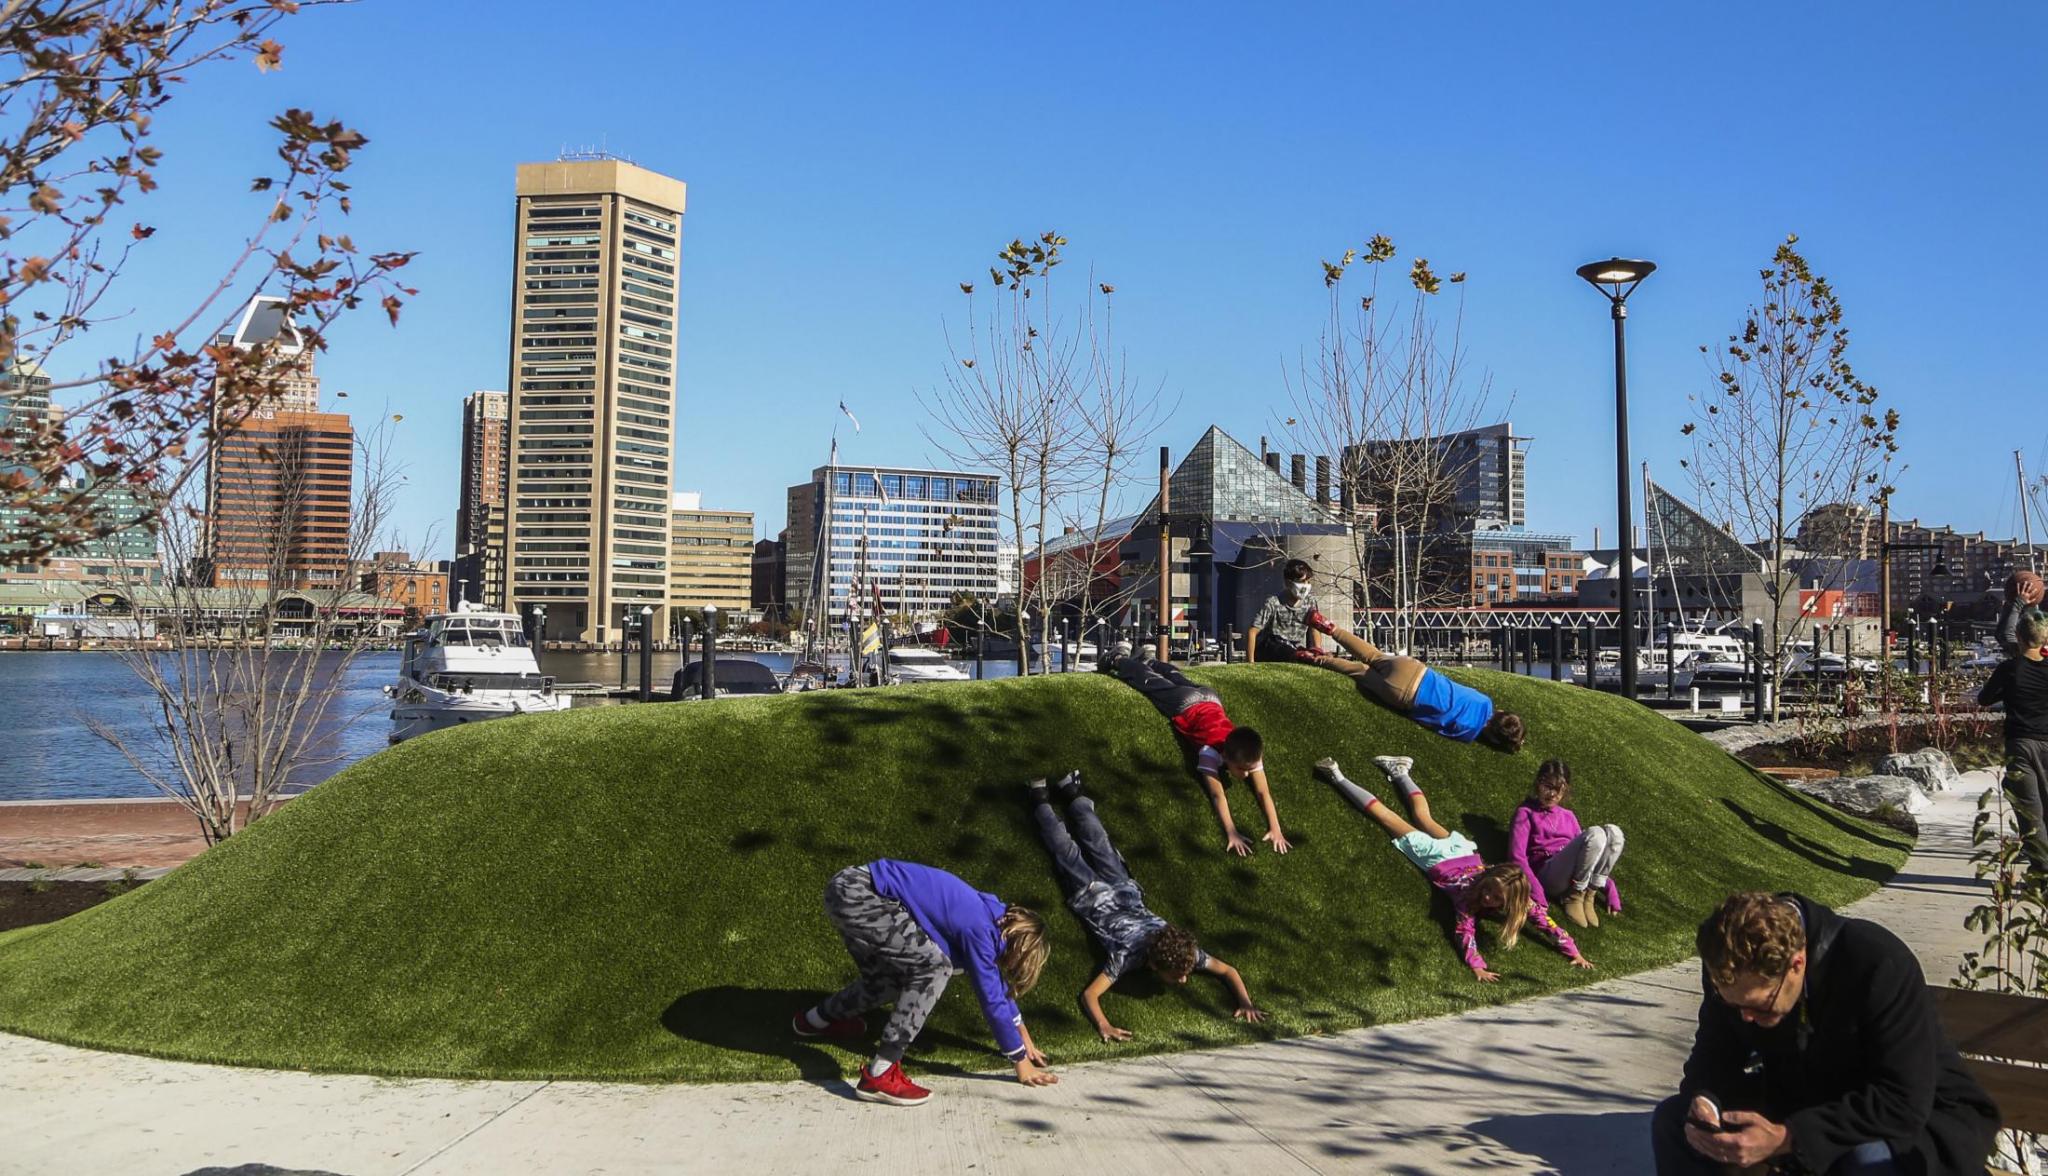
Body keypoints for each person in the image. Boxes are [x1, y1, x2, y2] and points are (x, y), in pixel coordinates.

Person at [1653, 891, 1997, 1175]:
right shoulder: (1731, 969)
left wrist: (1788, 1137)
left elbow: (1903, 1102)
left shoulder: (1876, 962)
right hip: (1806, 1096)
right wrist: (1705, 1100)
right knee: (1675, 1123)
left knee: (1864, 1159)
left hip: (1913, 1119)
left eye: (1761, 1007)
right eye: (1734, 1005)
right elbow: (1715, 1050)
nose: (1746, 1017)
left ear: (1797, 964)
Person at [792, 858, 1056, 1106]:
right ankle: (880, 1074)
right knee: (934, 968)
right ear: (1018, 944)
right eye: (1018, 962)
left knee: (889, 980)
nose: (1010, 967)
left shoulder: (989, 918)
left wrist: (1022, 1035)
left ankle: (814, 1021)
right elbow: (992, 1001)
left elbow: (997, 988)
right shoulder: (980, 929)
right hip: (861, 894)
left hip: (847, 889)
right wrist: (1020, 1062)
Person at [1026, 770, 1263, 1040]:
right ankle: (1056, 796)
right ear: (1154, 964)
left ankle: (1054, 798)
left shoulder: (1187, 955)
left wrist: (1245, 1002)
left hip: (1108, 891)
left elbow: (1228, 971)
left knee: (1083, 844)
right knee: (1080, 845)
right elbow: (1089, 995)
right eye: (1177, 976)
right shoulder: (1126, 956)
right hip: (1103, 892)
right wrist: (1104, 1025)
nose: (1184, 979)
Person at [1316, 755, 1591, 980]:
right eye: (1489, 890)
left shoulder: (1519, 902)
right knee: (1388, 817)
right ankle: (1338, 776)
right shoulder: (1469, 896)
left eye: (1496, 898)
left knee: (1422, 817)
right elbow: (1465, 932)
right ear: (1490, 876)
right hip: (1440, 857)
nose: (1487, 898)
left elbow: (1550, 927)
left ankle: (1400, 771)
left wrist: (1574, 953)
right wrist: (1477, 966)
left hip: (1464, 853)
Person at [1109, 642, 1291, 856]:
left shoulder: (1249, 751)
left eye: (1248, 770)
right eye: (1242, 769)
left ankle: (1150, 660)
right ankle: (1118, 659)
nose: (1246, 775)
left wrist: (1275, 828)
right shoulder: (1209, 753)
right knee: (1153, 684)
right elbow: (1217, 795)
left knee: (1177, 678)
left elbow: (1263, 792)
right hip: (1185, 704)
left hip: (1211, 699)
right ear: (1226, 757)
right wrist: (1231, 832)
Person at [1305, 621, 1525, 751]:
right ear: (1493, 738)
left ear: (1501, 712)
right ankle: (1315, 658)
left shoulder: (1485, 700)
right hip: (1404, 694)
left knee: (1372, 655)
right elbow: (1434, 724)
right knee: (1360, 671)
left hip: (1415, 669)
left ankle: (1330, 627)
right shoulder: (1468, 733)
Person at [1508, 759, 1625, 930]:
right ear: (1538, 783)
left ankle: (1589, 892)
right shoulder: (1525, 813)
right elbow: (1516, 857)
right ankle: (1574, 895)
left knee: (1614, 833)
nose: (1552, 794)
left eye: (1559, 790)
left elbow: (1590, 854)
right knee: (1595, 834)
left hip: (1574, 875)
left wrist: (1608, 887)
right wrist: (1538, 893)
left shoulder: (1568, 815)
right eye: (1548, 786)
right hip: (1548, 873)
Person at [1980, 610, 2048, 872]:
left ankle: (2042, 873)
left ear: (2018, 637)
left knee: (2030, 812)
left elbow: (1985, 699)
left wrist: (2009, 690)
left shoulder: (2009, 669)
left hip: (2021, 745)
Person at [1245, 558, 1326, 664]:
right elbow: (1252, 631)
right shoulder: (1274, 602)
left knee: (1298, 652)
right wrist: (1250, 662)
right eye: (1301, 582)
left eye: (1308, 581)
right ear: (1288, 583)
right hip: (1271, 648)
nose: (1305, 586)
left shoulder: (1310, 602)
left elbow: (1315, 628)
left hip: (1293, 648)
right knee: (1277, 643)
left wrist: (1317, 651)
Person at [1996, 569, 2045, 660]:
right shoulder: (2043, 655)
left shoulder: (2025, 656)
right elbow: (2004, 635)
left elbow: (2004, 635)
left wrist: (2017, 602)